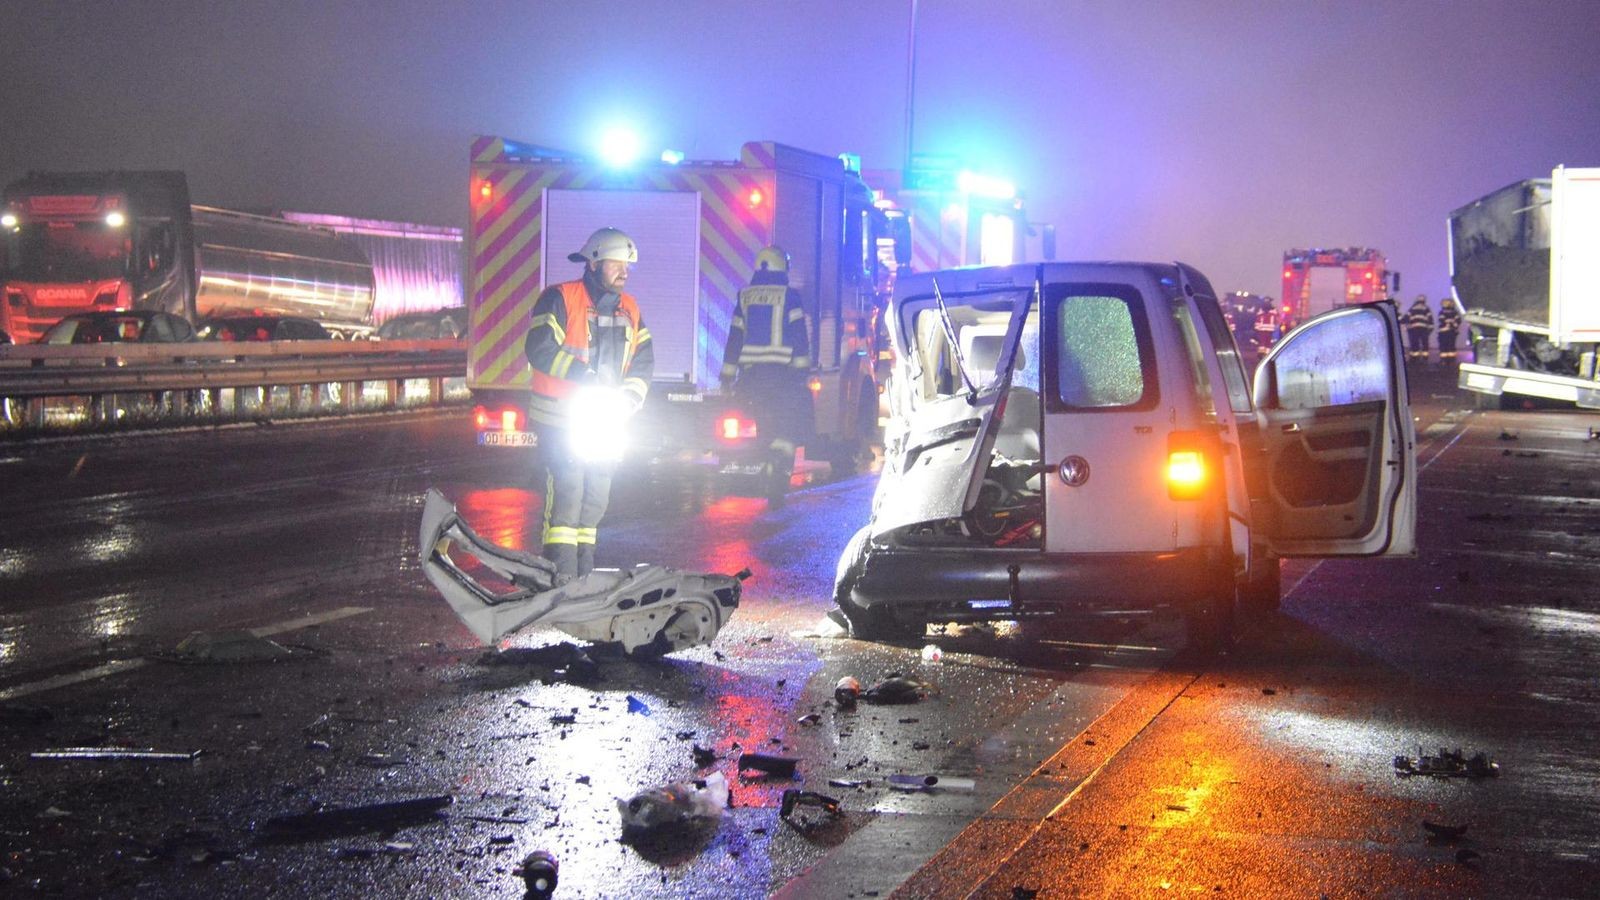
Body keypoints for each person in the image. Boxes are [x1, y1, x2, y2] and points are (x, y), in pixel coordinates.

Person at [524, 227, 654, 583]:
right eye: (617, 264)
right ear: (594, 263)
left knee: (594, 503)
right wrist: (585, 376)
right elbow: (539, 348)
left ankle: (583, 584)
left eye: (628, 265)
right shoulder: (559, 298)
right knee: (567, 499)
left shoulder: (630, 308)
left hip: (605, 422)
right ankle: (561, 582)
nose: (624, 272)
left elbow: (643, 360)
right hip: (561, 421)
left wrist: (630, 395)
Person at [720, 246, 814, 505]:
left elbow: (735, 337)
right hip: (783, 377)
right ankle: (777, 468)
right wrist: (801, 370)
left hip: (751, 379)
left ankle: (764, 460)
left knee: (761, 425)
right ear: (782, 268)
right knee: (788, 427)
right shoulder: (790, 296)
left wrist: (727, 376)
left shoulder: (745, 296)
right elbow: (799, 337)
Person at [1404, 294, 1434, 362]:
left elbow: (1406, 317)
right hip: (1424, 329)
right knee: (1425, 343)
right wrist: (1430, 329)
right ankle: (1425, 358)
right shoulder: (1426, 308)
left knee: (1414, 343)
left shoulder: (1413, 308)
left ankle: (1414, 358)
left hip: (1414, 329)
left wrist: (1407, 326)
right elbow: (1430, 319)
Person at [1437, 295, 1463, 362]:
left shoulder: (1442, 312)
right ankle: (1451, 360)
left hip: (1444, 331)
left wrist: (1448, 325)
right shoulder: (1455, 312)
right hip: (1452, 331)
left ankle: (1444, 361)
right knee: (1451, 345)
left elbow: (1441, 320)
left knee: (1444, 345)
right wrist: (1453, 325)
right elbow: (1458, 321)